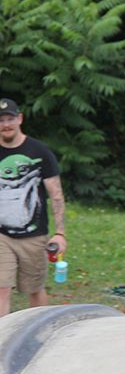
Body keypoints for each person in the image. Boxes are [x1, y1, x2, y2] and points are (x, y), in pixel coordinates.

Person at [0, 98, 67, 317]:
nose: (5, 125)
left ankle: (40, 330)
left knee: (34, 290)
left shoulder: (39, 151)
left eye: (10, 119)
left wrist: (60, 233)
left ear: (20, 119)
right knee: (2, 289)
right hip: (2, 235)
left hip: (34, 235)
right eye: (1, 120)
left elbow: (56, 194)